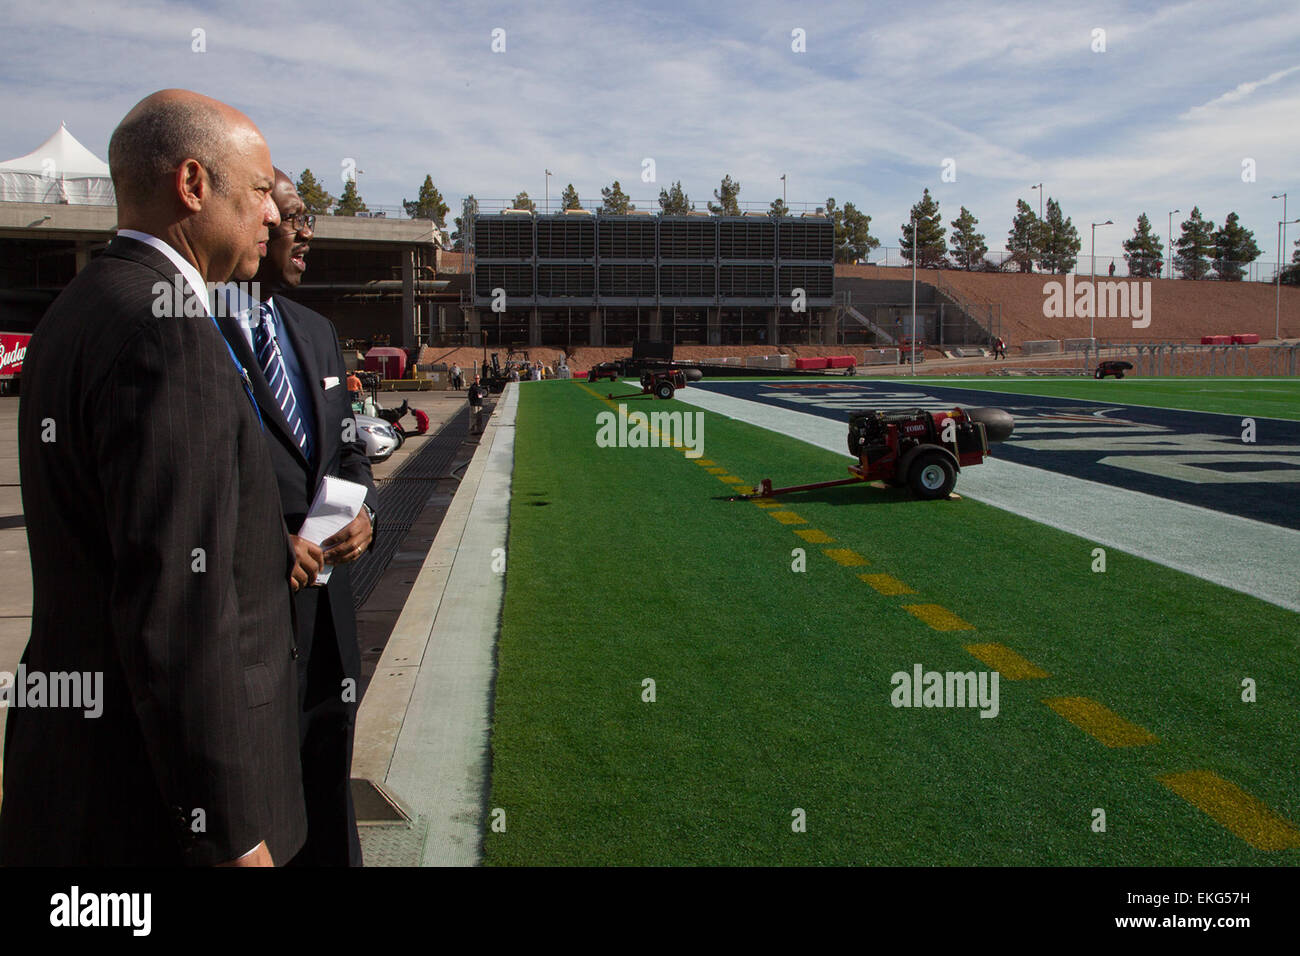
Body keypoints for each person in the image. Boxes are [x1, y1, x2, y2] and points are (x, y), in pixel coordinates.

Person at [0, 90, 306, 866]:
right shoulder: (167, 334)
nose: (275, 217)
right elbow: (177, 617)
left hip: (76, 777)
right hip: (153, 810)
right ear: (194, 184)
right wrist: (231, 836)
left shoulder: (79, 309)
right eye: (263, 191)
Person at [218, 170, 377, 866]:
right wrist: (261, 543)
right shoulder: (185, 324)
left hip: (328, 611)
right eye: (291, 214)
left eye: (307, 216)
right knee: (260, 793)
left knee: (325, 775)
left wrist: (364, 505)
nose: (305, 229)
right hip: (249, 609)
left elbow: (347, 445)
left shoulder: (314, 330)